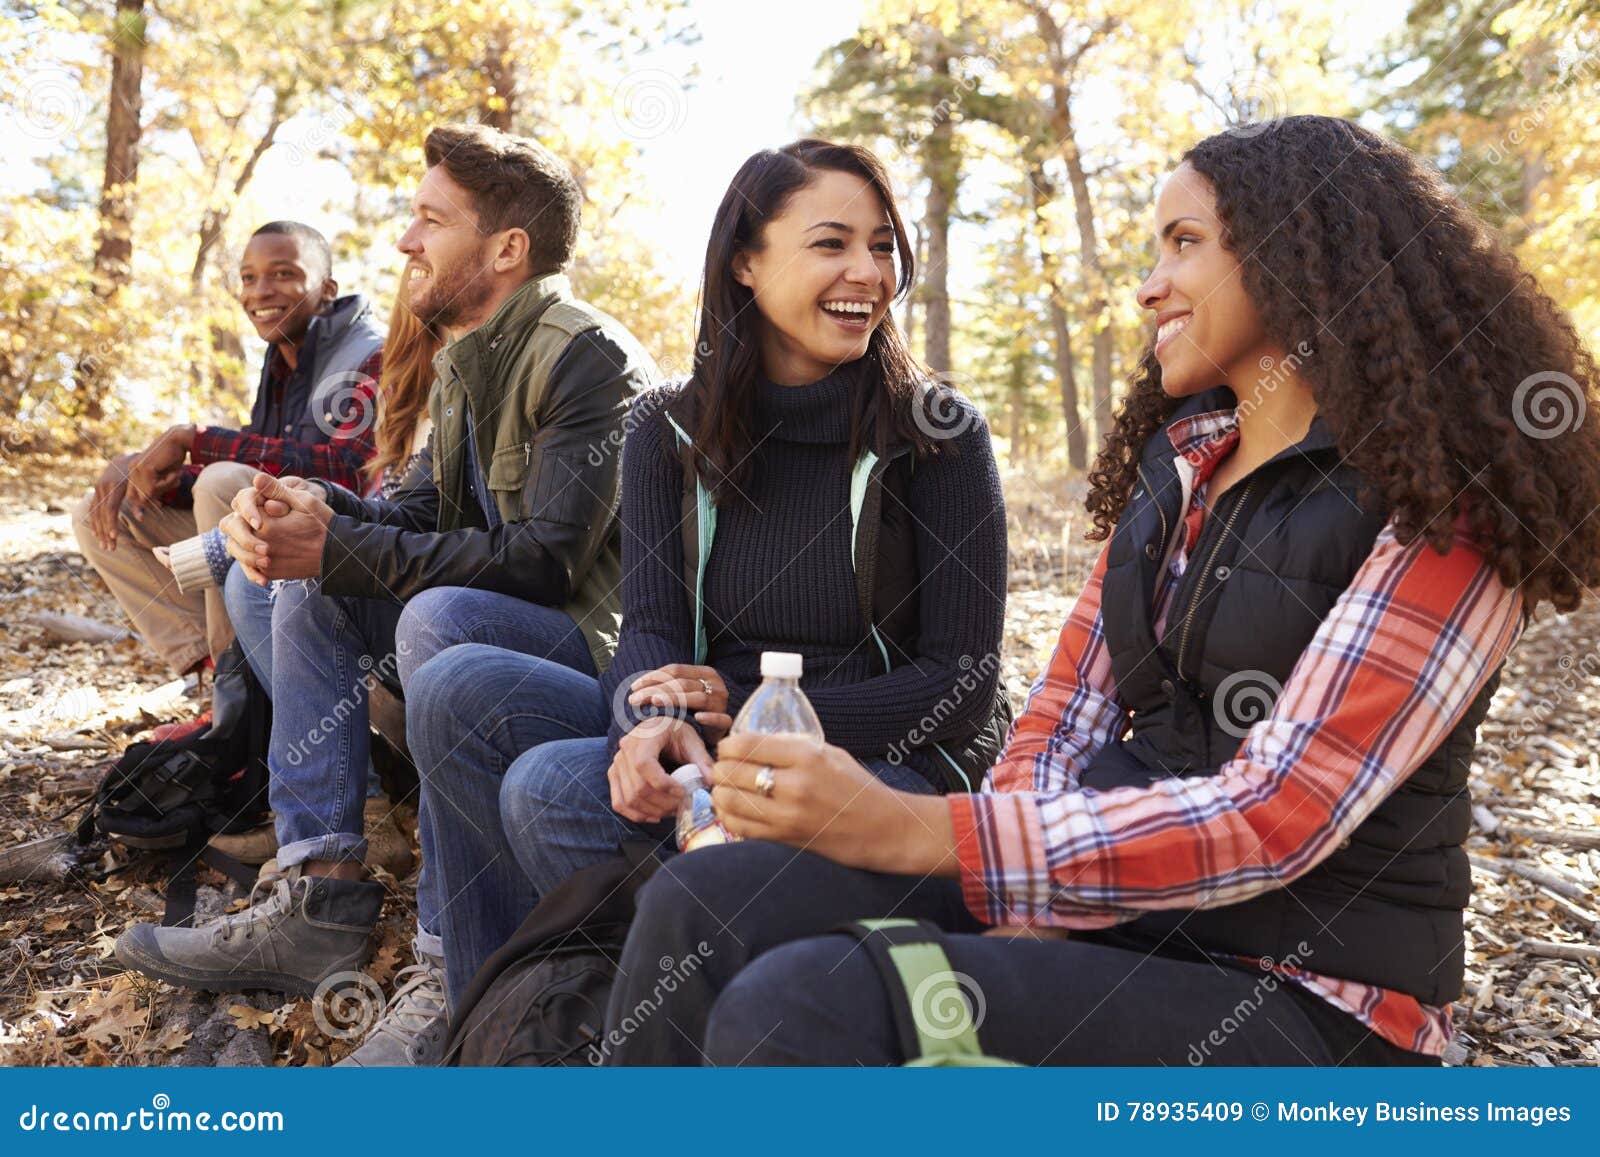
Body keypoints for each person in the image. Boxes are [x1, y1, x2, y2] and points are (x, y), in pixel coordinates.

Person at [600, 116, 1600, 1066]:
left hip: (1312, 1000)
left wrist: (919, 830)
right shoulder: (1180, 471)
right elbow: (1056, 723)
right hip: (1120, 921)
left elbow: (1275, 815)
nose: (1148, 285)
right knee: (716, 895)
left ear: (1300, 260)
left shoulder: (1439, 506)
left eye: (1182, 243)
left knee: (812, 999)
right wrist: (997, 888)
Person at [406, 138, 1008, 1028]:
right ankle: (497, 1017)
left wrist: (745, 712)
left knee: (546, 792)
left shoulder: (939, 435)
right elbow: (647, 629)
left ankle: (674, 1004)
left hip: (886, 767)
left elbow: (961, 685)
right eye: (832, 242)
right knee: (458, 686)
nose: (868, 272)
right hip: (715, 745)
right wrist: (652, 724)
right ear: (746, 264)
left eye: (882, 245)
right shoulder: (666, 430)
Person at [113, 126, 655, 1062]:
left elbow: (547, 564)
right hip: (492, 630)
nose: (405, 240)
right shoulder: (467, 362)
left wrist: (342, 544)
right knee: (296, 584)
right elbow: (410, 509)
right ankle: (319, 894)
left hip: (587, 658)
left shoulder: (586, 356)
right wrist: (310, 513)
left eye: (429, 220)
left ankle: (452, 969)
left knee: (435, 611)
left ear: (506, 249)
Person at [155, 282, 443, 876]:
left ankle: (338, 812)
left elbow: (424, 532)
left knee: (276, 570)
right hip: (395, 594)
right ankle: (346, 811)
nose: (263, 290)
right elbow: (378, 502)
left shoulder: (455, 394)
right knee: (252, 578)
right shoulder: (403, 401)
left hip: (435, 614)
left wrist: (225, 542)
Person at [71, 222, 384, 678]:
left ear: (327, 289)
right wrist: (150, 474)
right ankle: (214, 675)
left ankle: (235, 692)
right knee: (99, 511)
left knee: (221, 482)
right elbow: (265, 461)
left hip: (348, 552)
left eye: (282, 274)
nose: (260, 291)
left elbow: (350, 472)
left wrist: (193, 440)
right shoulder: (281, 360)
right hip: (274, 541)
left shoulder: (371, 352)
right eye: (248, 277)